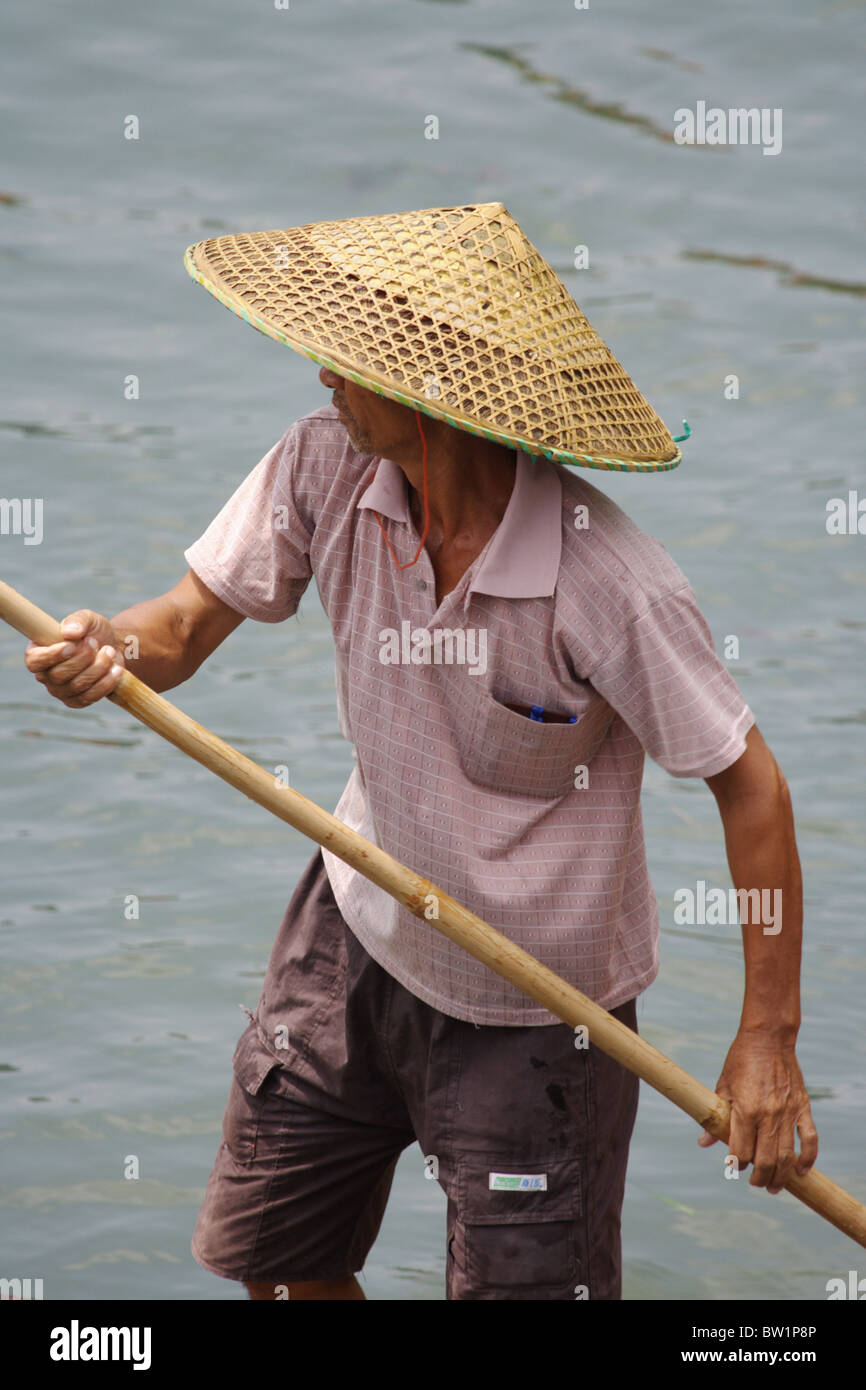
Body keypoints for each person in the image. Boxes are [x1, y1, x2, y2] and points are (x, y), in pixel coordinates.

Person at [25, 203, 817, 1301]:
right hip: (354, 931)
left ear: (432, 395)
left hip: (541, 1015)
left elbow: (752, 787)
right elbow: (184, 625)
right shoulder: (325, 470)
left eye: (346, 361)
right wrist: (110, 646)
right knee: (279, 1262)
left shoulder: (608, 583)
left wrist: (765, 1040)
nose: (320, 379)